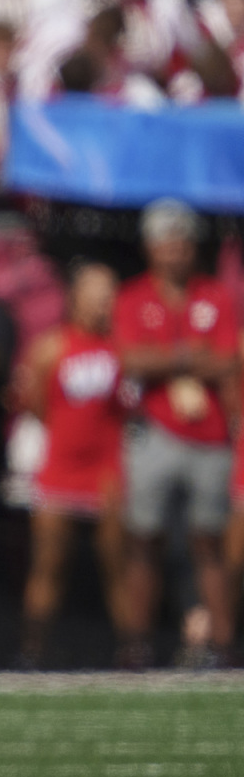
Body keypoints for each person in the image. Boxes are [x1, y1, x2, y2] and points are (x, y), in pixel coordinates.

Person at [114, 199, 237, 668]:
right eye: (168, 240)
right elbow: (130, 359)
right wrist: (188, 357)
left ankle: (224, 644)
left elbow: (227, 360)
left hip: (207, 434)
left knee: (209, 542)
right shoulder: (134, 296)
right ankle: (136, 641)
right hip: (156, 429)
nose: (177, 249)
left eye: (184, 240)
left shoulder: (214, 295)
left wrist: (162, 358)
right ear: (151, 246)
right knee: (145, 539)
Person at [14, 261, 130, 667]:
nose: (103, 304)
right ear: (76, 298)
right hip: (61, 469)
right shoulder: (52, 347)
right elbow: (36, 404)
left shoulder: (120, 347)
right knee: (49, 563)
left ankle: (131, 649)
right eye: (95, 294)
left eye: (108, 295)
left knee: (117, 563)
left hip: (106, 472)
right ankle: (34, 648)